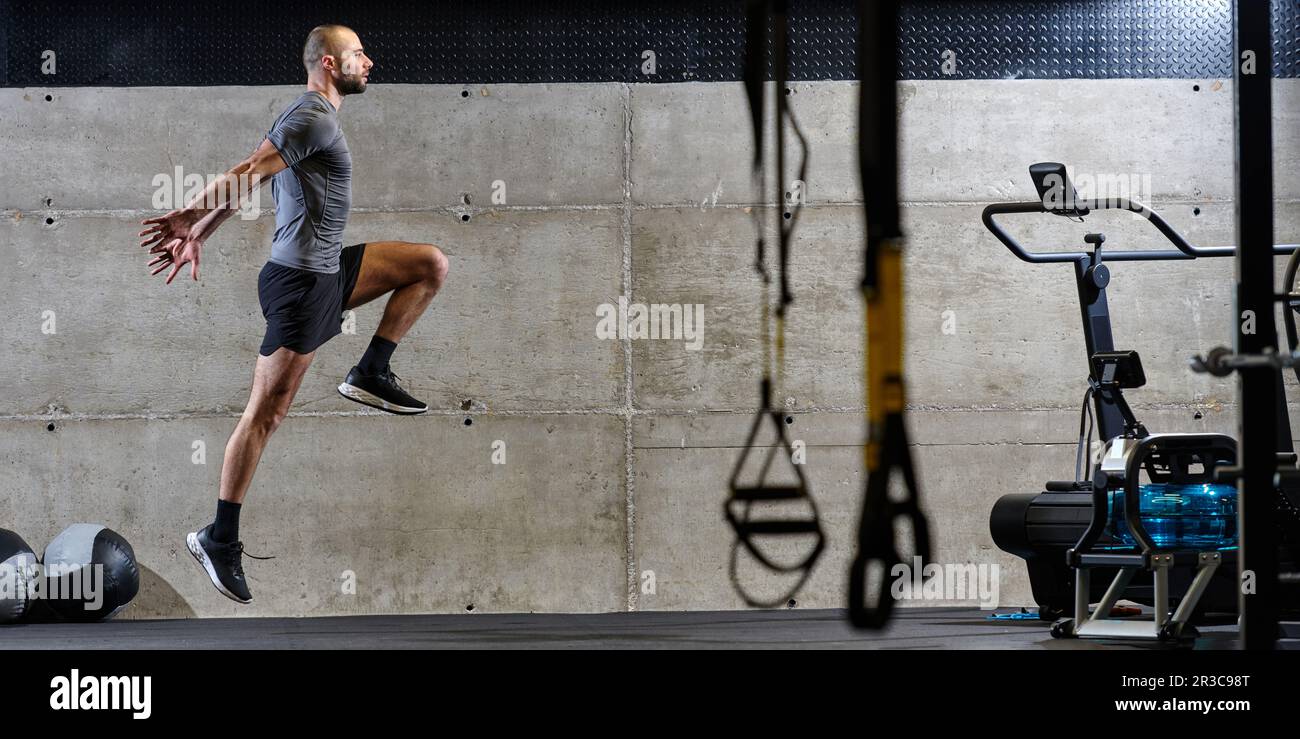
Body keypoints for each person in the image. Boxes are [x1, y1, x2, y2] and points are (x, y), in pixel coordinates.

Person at [138, 24, 449, 603]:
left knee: (428, 264)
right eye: (359, 54)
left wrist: (202, 229)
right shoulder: (313, 117)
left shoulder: (307, 118)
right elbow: (249, 171)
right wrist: (187, 216)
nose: (369, 61)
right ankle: (219, 538)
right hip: (301, 288)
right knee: (265, 415)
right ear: (330, 63)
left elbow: (256, 175)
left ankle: (371, 371)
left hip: (325, 272)